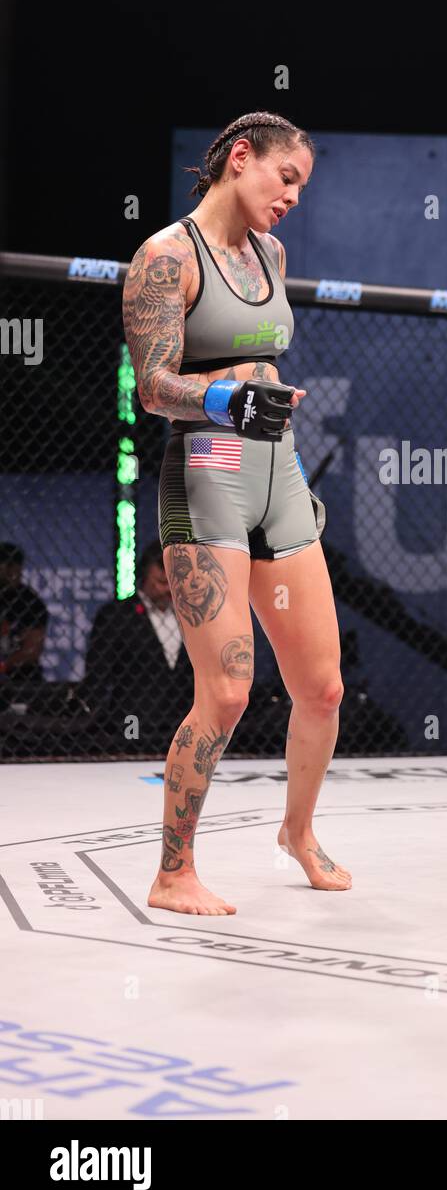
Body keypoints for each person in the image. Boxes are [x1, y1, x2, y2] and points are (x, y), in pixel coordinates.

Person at [122, 110, 347, 916]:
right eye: (286, 179)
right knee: (226, 692)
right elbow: (152, 386)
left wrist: (259, 403)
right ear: (241, 158)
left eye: (302, 188)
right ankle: (172, 870)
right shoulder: (164, 257)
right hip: (208, 472)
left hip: (277, 473)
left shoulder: (271, 253)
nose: (293, 198)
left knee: (321, 686)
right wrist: (224, 396)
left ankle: (298, 832)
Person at [84, 540, 194, 751]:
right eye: (161, 579)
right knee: (129, 764)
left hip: (180, 717)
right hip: (130, 717)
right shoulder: (117, 614)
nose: (167, 587)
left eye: (173, 580)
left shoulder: (188, 615)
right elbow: (98, 671)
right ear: (145, 574)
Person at [0, 542, 48, 682]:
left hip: (21, 678)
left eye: (14, 567)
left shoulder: (30, 602)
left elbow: (31, 651)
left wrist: (3, 666)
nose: (13, 573)